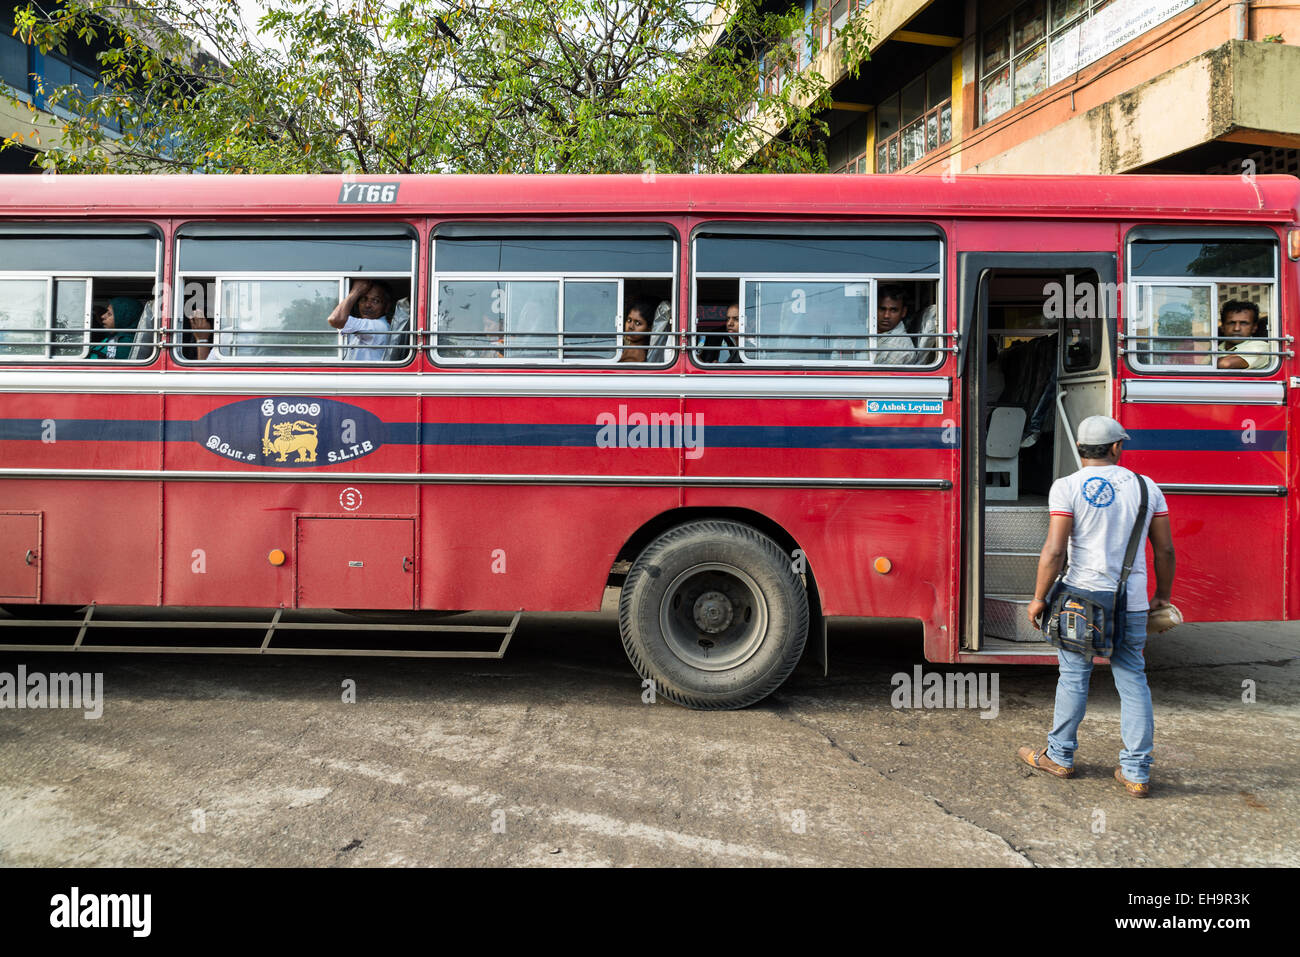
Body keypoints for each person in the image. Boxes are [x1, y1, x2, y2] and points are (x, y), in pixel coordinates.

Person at [1018, 415, 1176, 798]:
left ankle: (1059, 756)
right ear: (1117, 447)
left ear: (1080, 449)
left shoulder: (1066, 487)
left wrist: (1039, 597)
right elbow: (1165, 549)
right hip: (1132, 602)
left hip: (1080, 599)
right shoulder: (1146, 487)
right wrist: (1163, 596)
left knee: (1074, 677)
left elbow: (1055, 550)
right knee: (1133, 680)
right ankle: (1136, 772)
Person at [328, 278, 394, 362]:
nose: (367, 305)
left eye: (375, 301)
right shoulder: (360, 325)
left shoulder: (380, 327)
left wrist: (356, 291)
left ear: (387, 307)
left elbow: (335, 319)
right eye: (363, 299)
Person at [874, 285, 929, 365]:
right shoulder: (878, 332)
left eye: (893, 310)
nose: (886, 315)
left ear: (903, 312)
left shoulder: (898, 348)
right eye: (882, 309)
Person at [1215, 300, 1269, 370]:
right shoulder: (1217, 347)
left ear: (1254, 328)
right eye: (1232, 323)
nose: (1236, 328)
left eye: (1244, 323)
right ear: (1222, 327)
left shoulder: (1260, 346)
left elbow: (1226, 364)